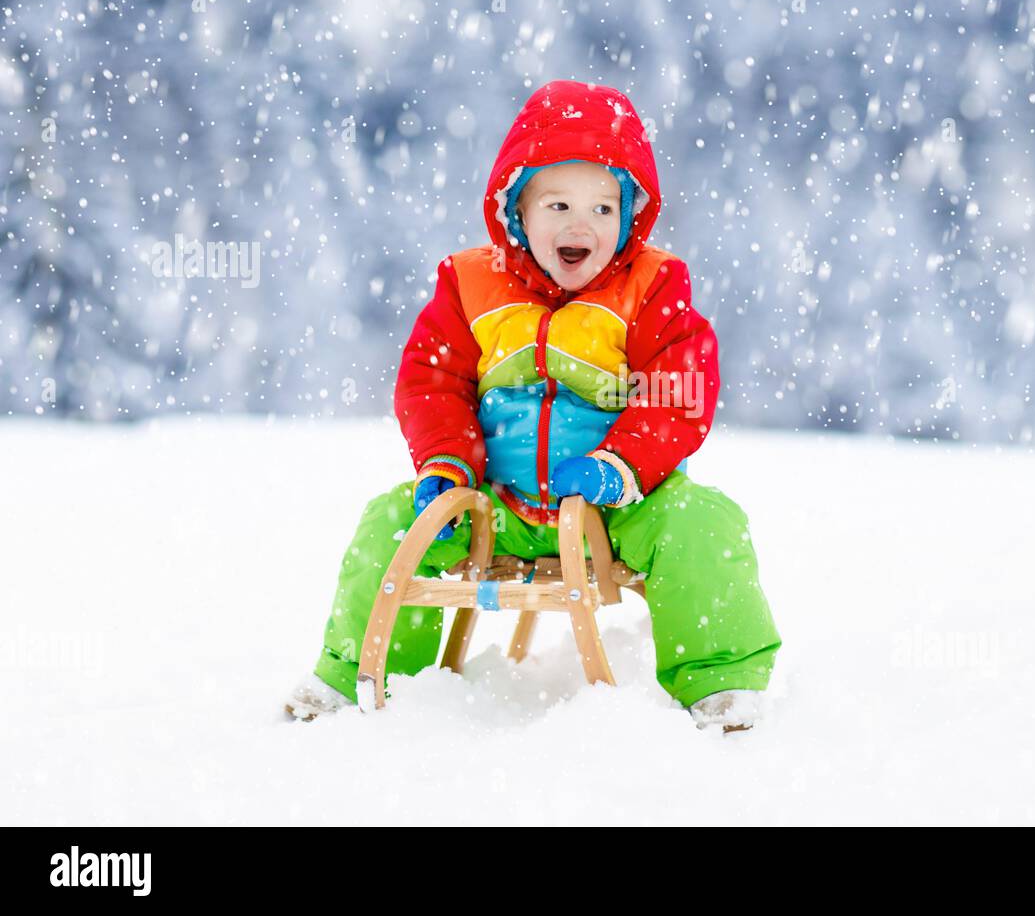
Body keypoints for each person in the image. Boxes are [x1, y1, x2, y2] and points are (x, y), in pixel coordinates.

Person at [284, 79, 781, 732]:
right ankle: (355, 680)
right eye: (559, 204)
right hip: (496, 508)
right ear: (515, 206)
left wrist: (621, 464)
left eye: (606, 209)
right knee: (390, 524)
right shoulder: (470, 284)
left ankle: (721, 686)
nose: (583, 225)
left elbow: (679, 387)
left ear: (632, 215)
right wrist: (446, 465)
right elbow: (434, 382)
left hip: (615, 508)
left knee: (704, 522)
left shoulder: (651, 286)